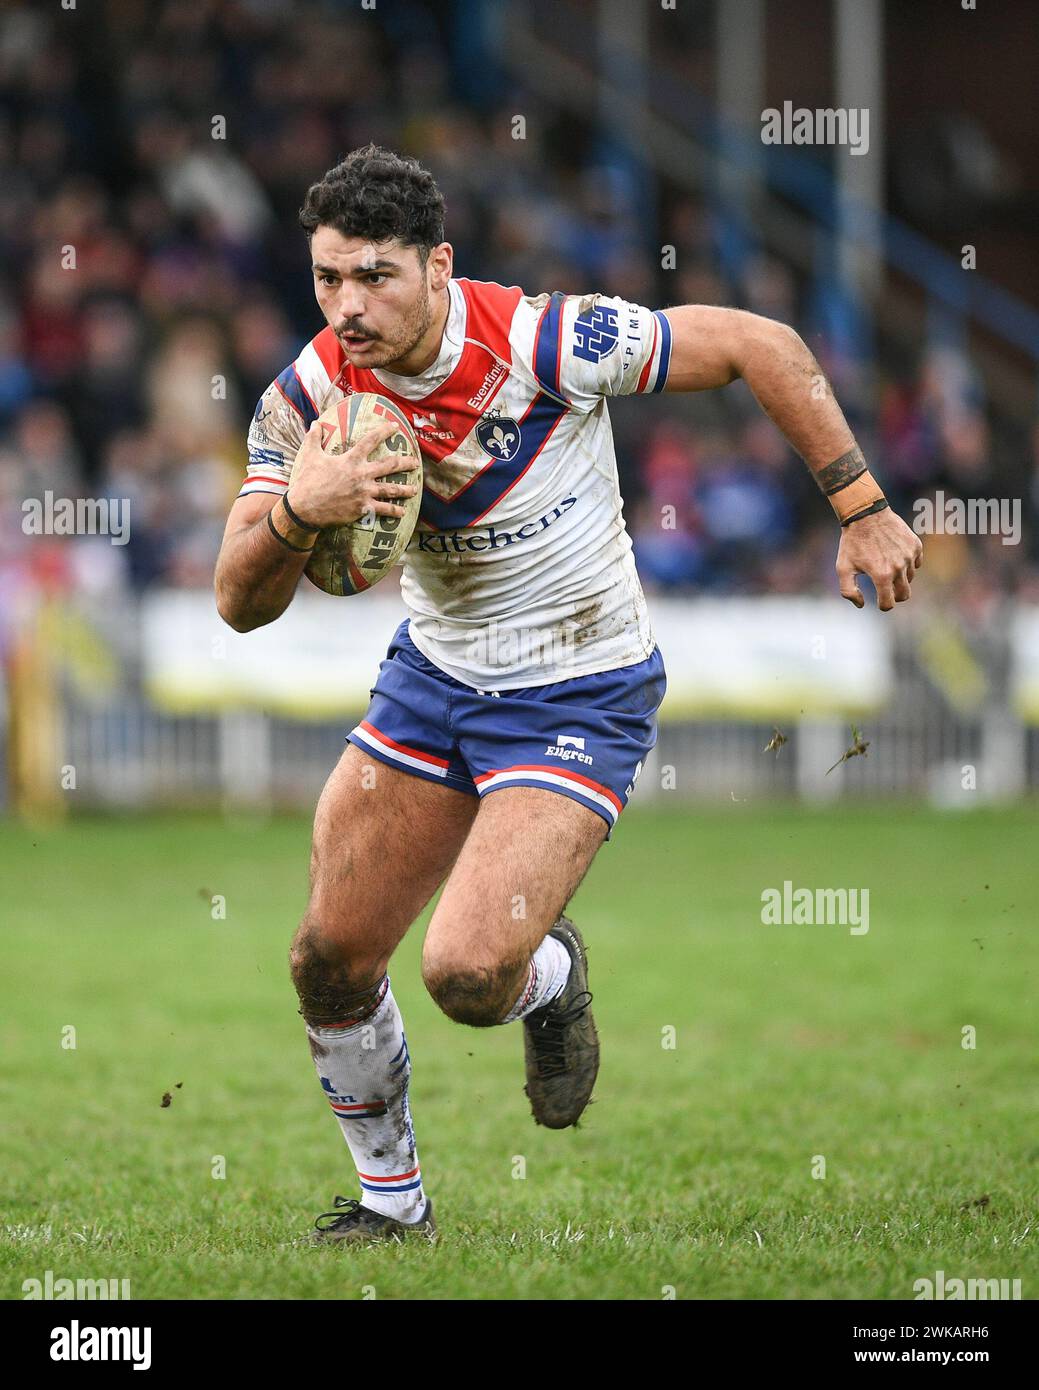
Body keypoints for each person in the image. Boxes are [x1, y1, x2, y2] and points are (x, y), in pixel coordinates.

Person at [213, 144, 922, 1245]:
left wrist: (861, 503)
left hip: (577, 692)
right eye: (327, 278)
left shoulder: (542, 339)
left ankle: (549, 975)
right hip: (434, 681)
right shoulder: (307, 397)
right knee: (327, 958)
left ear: (439, 265)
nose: (346, 307)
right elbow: (236, 601)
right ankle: (393, 1206)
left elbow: (757, 343)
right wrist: (302, 511)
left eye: (376, 278)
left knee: (465, 972)